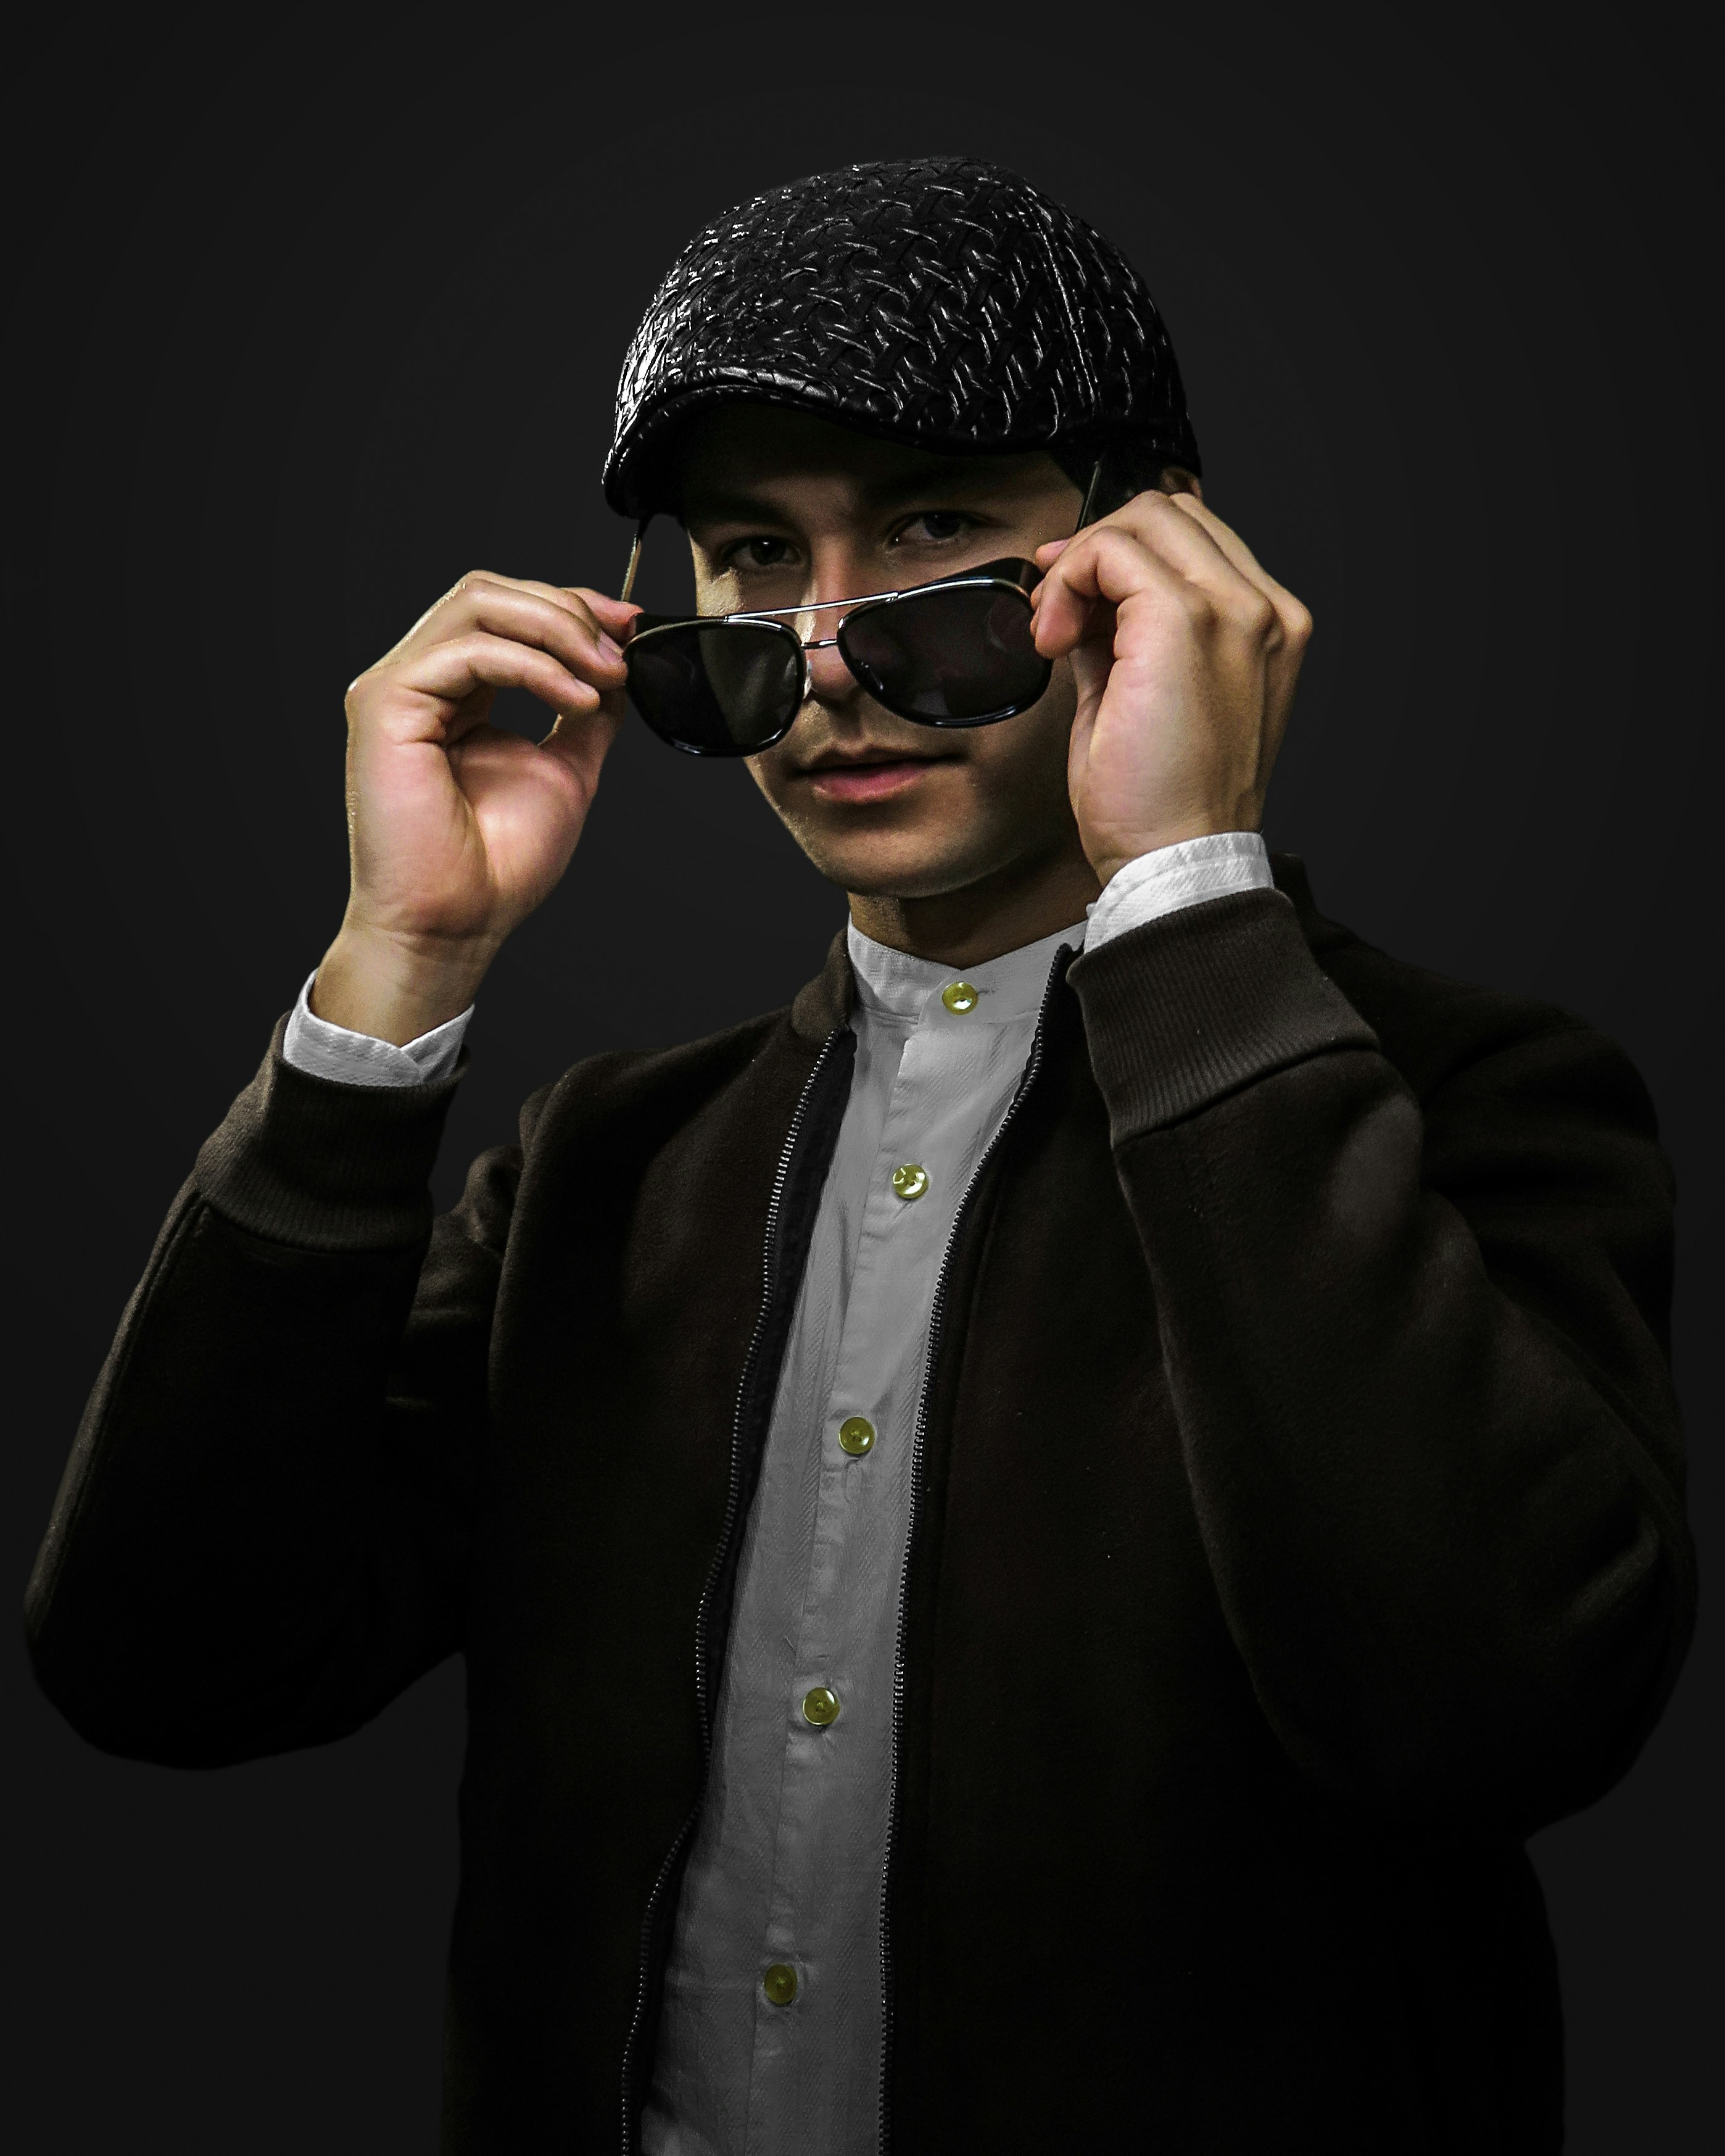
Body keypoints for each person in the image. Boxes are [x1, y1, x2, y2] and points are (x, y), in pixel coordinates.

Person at [25, 157, 1694, 2154]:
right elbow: (168, 1668)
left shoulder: (1479, 1097)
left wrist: (1189, 892)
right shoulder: (597, 1172)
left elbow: (1487, 1716)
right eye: (752, 554)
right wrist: (400, 972)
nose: (820, 659)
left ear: (1155, 562)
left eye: (931, 529)